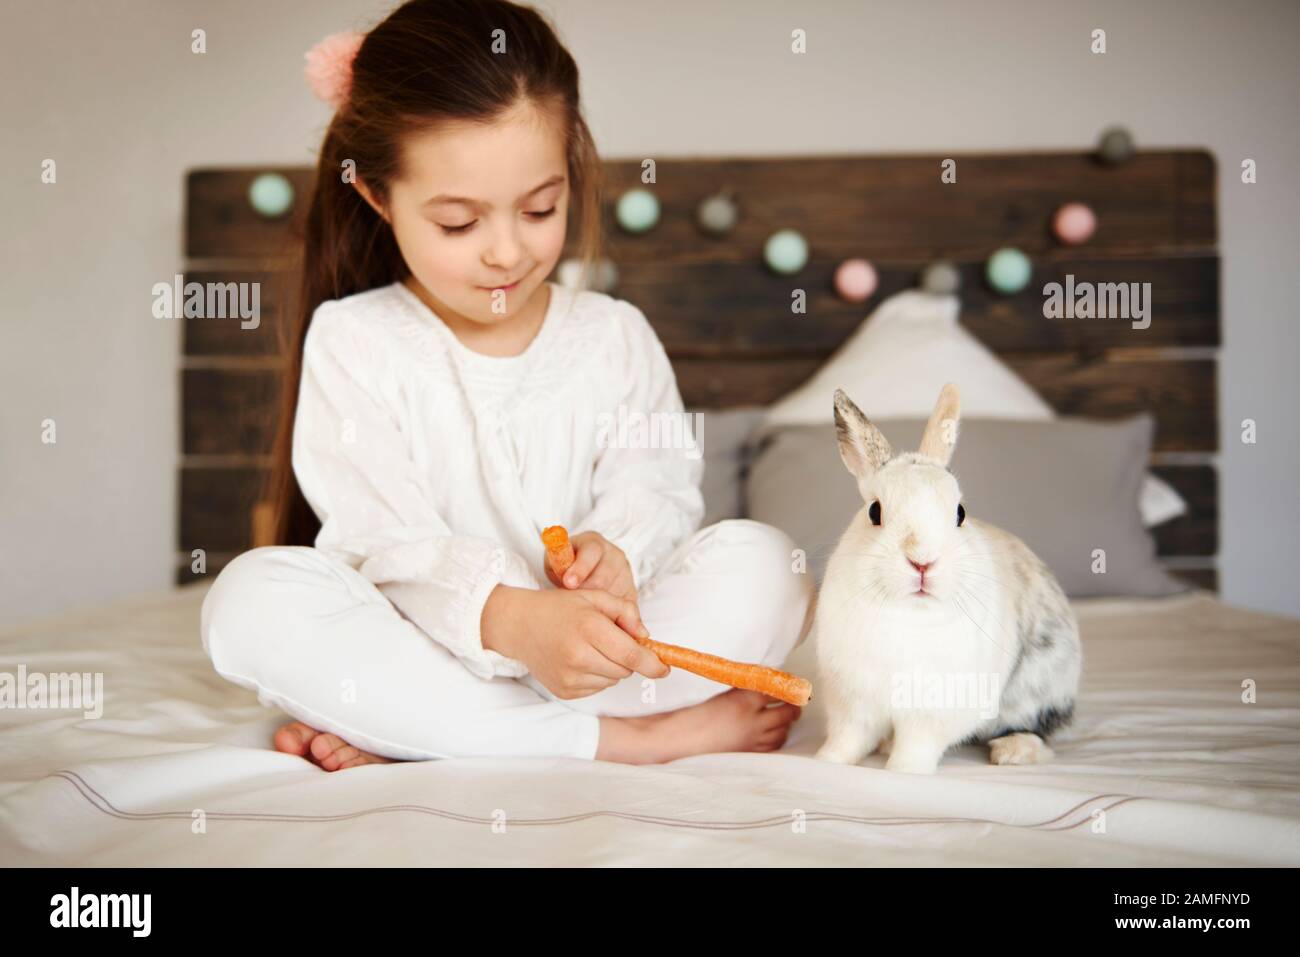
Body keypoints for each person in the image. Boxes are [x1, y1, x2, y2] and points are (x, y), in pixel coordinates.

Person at [200, 0, 814, 770]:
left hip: (603, 660)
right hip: (435, 647)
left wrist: (614, 554)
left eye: (540, 208)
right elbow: (381, 540)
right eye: (459, 222)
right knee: (249, 602)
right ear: (378, 197)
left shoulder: (613, 335)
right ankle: (621, 741)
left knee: (768, 566)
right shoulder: (354, 340)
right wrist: (512, 619)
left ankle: (434, 731)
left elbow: (656, 486)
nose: (506, 252)